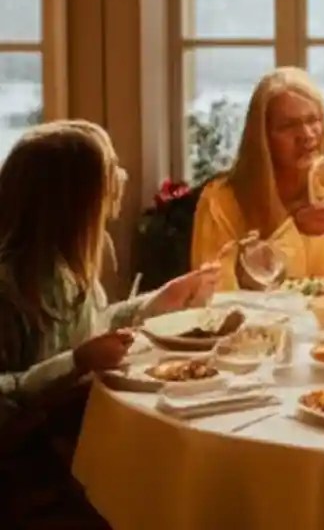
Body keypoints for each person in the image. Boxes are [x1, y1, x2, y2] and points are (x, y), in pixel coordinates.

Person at [0, 121, 219, 527]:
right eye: (110, 169)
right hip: (30, 477)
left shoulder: (65, 265)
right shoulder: (9, 285)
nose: (121, 178)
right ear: (72, 197)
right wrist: (76, 362)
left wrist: (160, 300)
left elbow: (91, 329)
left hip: (76, 445)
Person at [190, 67, 324, 286]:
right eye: (288, 126)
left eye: (313, 120)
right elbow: (216, 297)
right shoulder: (221, 202)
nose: (307, 135)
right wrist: (291, 229)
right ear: (262, 136)